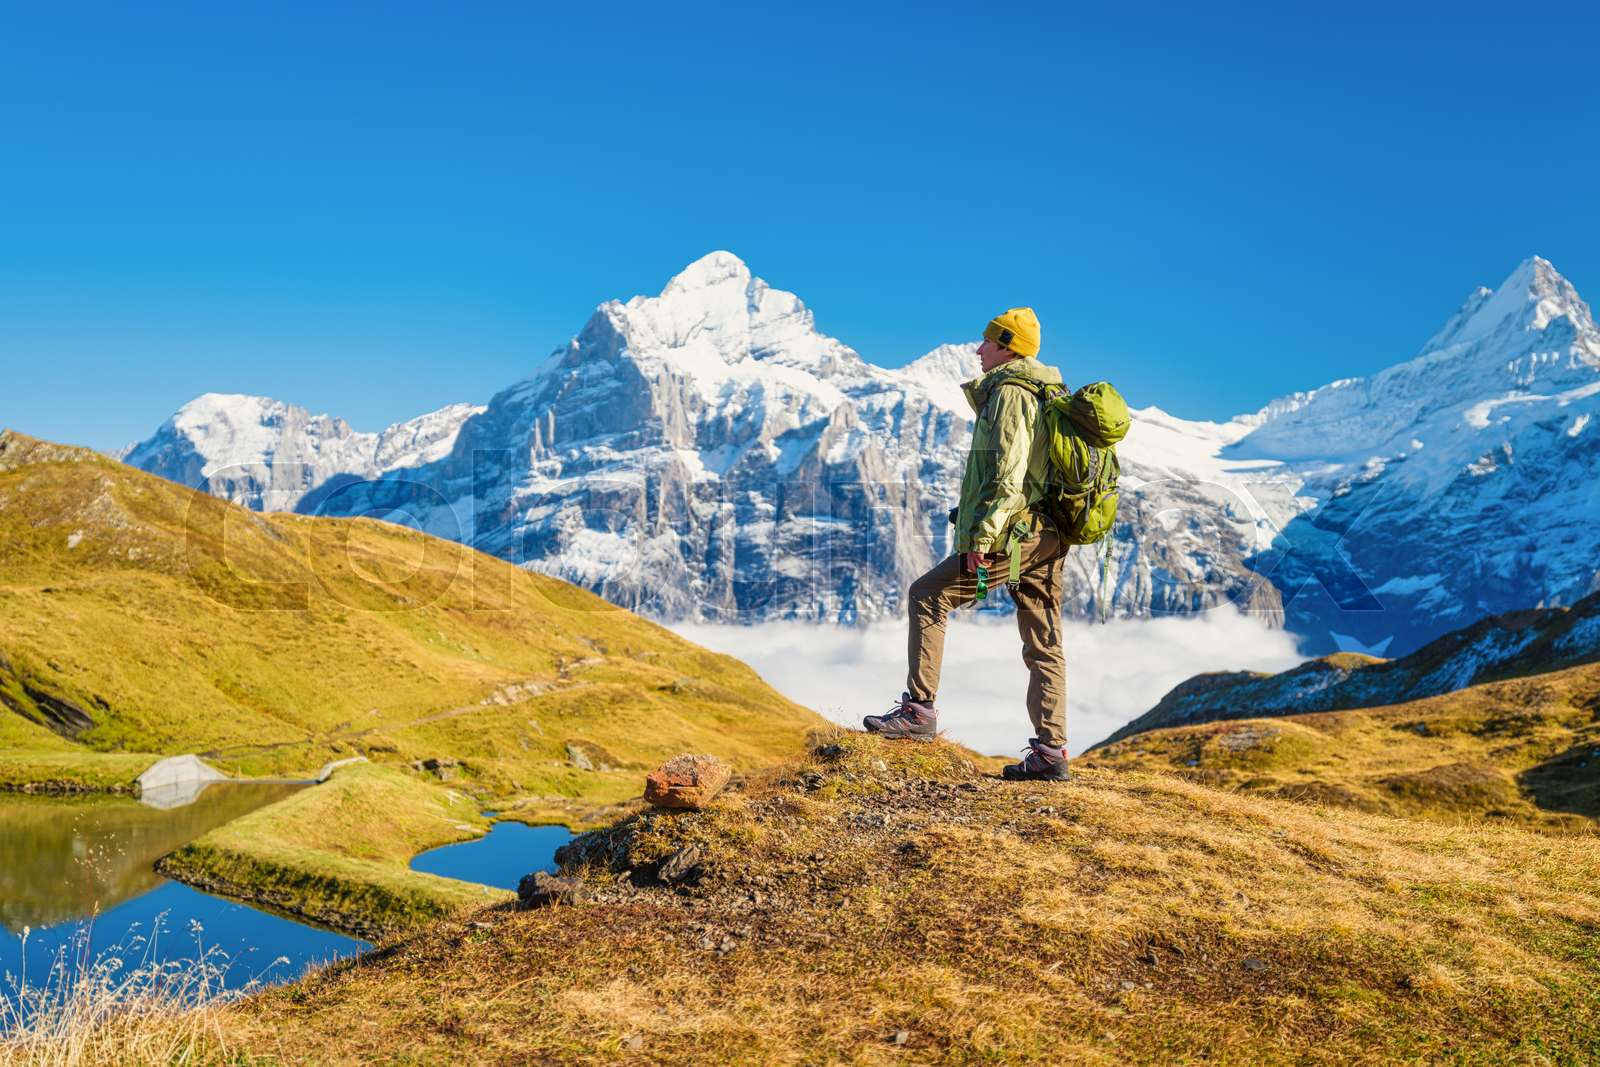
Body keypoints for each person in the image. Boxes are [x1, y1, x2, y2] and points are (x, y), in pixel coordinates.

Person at [863, 307, 1072, 781]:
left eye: (988, 343)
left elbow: (1006, 473)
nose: (978, 350)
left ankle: (919, 713)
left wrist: (981, 535)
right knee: (1044, 641)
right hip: (1048, 532)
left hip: (1014, 532)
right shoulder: (1045, 391)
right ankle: (1051, 751)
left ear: (1008, 348)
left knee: (928, 595)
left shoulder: (1012, 394)